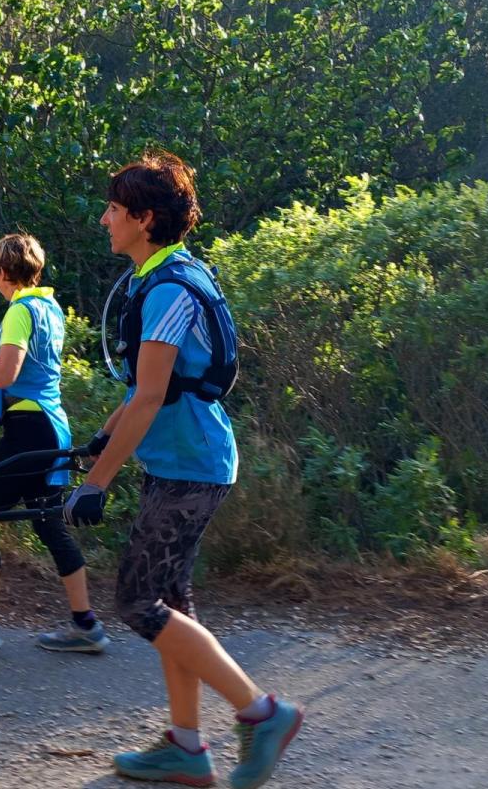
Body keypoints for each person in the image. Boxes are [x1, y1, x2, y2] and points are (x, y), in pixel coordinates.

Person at [62, 153, 302, 788]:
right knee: (170, 603)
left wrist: (96, 481)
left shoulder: (168, 287)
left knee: (139, 601)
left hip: (192, 466)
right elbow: (143, 394)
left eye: (115, 209)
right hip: (181, 461)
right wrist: (103, 438)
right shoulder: (164, 274)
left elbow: (150, 394)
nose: (105, 218)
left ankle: (263, 712)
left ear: (144, 219)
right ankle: (187, 746)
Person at [0, 232, 108, 657]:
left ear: (2, 272)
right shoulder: (49, 306)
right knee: (47, 521)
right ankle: (85, 624)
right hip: (51, 424)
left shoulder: (20, 311)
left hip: (30, 429)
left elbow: (4, 373)